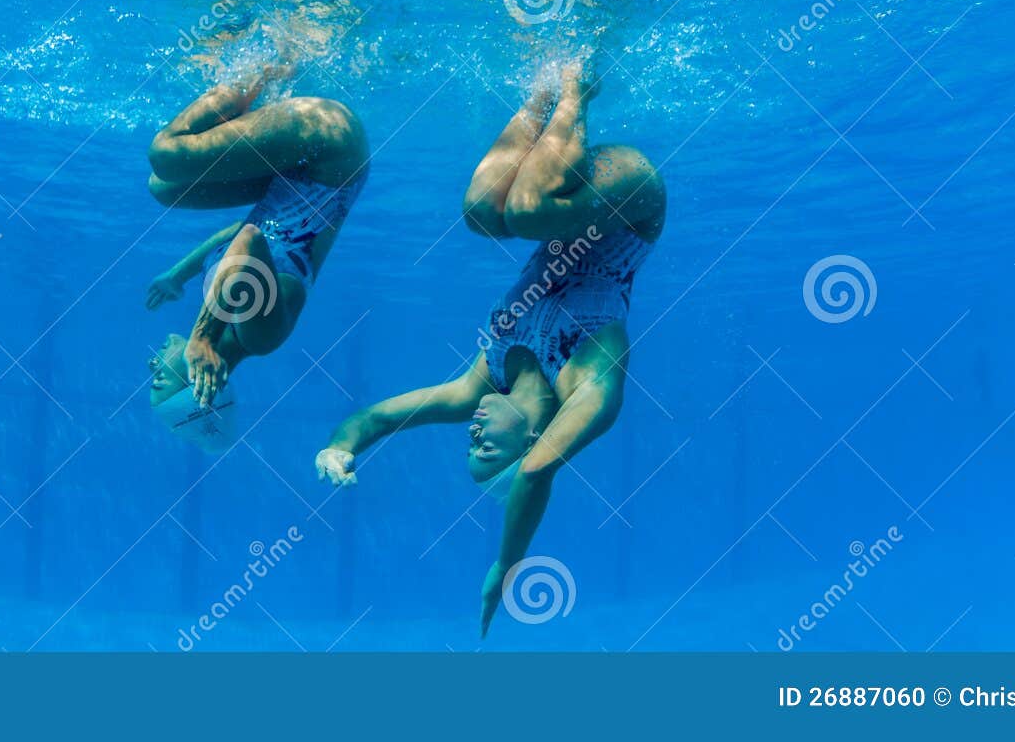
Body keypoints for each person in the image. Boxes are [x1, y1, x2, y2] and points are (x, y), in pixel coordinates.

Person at [315, 60, 664, 633]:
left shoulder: (487, 375)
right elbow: (536, 473)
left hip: (561, 201)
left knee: (481, 212)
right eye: (485, 452)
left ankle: (541, 90)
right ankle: (576, 82)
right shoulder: (588, 379)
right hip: (631, 204)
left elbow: (378, 417)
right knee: (527, 209)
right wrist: (507, 563)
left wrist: (339, 448)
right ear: (529, 441)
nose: (471, 436)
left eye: (471, 450)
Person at [146, 66, 368, 448]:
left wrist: (176, 276)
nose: (152, 366)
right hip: (329, 146)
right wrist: (201, 336)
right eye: (159, 379)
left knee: (165, 188)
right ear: (199, 382)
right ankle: (259, 66)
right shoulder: (258, 335)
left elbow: (236, 234)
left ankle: (271, 83)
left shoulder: (230, 320)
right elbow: (249, 240)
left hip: (296, 169)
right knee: (166, 156)